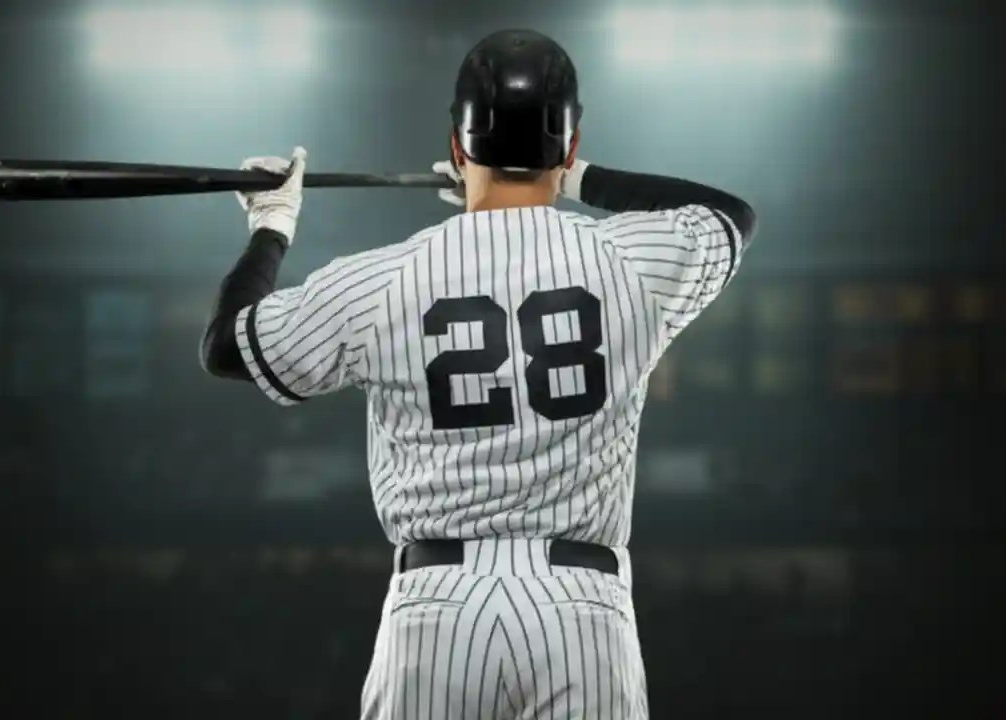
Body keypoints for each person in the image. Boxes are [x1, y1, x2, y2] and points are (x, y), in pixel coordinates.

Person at [200, 28, 757, 720]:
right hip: (580, 608)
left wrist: (272, 226)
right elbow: (728, 214)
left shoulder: (383, 279)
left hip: (436, 604)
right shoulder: (628, 262)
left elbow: (227, 345)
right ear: (571, 144)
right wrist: (577, 179)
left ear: (461, 147)